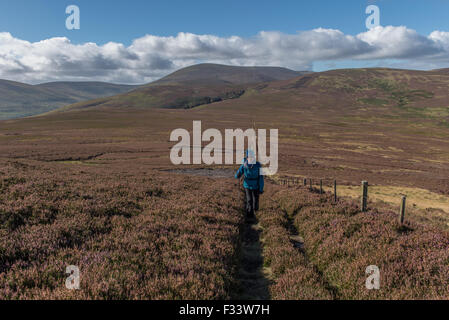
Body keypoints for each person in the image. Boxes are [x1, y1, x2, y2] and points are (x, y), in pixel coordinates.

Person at [235, 149, 264, 220]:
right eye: (249, 157)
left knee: (255, 201)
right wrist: (238, 174)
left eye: (252, 157)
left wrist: (261, 188)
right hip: (247, 185)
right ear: (247, 157)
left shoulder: (258, 165)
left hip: (256, 185)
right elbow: (237, 175)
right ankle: (249, 216)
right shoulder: (244, 165)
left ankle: (256, 213)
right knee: (249, 200)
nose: (250, 158)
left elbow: (261, 177)